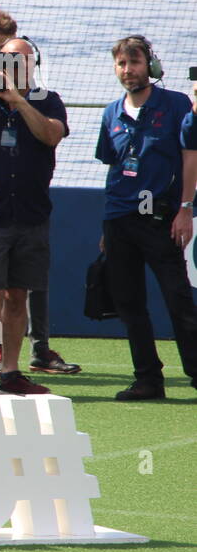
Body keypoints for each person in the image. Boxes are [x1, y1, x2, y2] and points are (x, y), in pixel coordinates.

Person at [0, 12, 80, 376]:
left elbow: (52, 135)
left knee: (18, 296)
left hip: (30, 215)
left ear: (32, 65)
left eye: (23, 61)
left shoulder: (47, 99)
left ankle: (11, 369)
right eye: (9, 60)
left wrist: (17, 100)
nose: (16, 67)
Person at [95, 35, 197, 401]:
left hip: (161, 218)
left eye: (134, 63)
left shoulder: (176, 105)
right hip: (119, 220)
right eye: (122, 64)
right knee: (129, 303)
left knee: (178, 298)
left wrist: (186, 209)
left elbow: (190, 157)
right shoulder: (111, 113)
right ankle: (148, 379)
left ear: (150, 65)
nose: (128, 70)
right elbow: (114, 170)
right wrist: (107, 226)